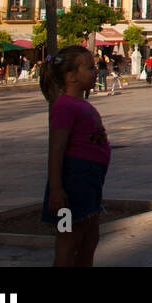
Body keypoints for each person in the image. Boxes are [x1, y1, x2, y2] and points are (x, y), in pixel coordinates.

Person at [38, 47, 110, 267]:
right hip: (73, 183)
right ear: (71, 76)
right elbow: (57, 148)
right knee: (68, 241)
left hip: (88, 182)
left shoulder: (80, 104)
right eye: (89, 67)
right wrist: (57, 189)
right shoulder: (64, 106)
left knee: (90, 239)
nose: (95, 71)